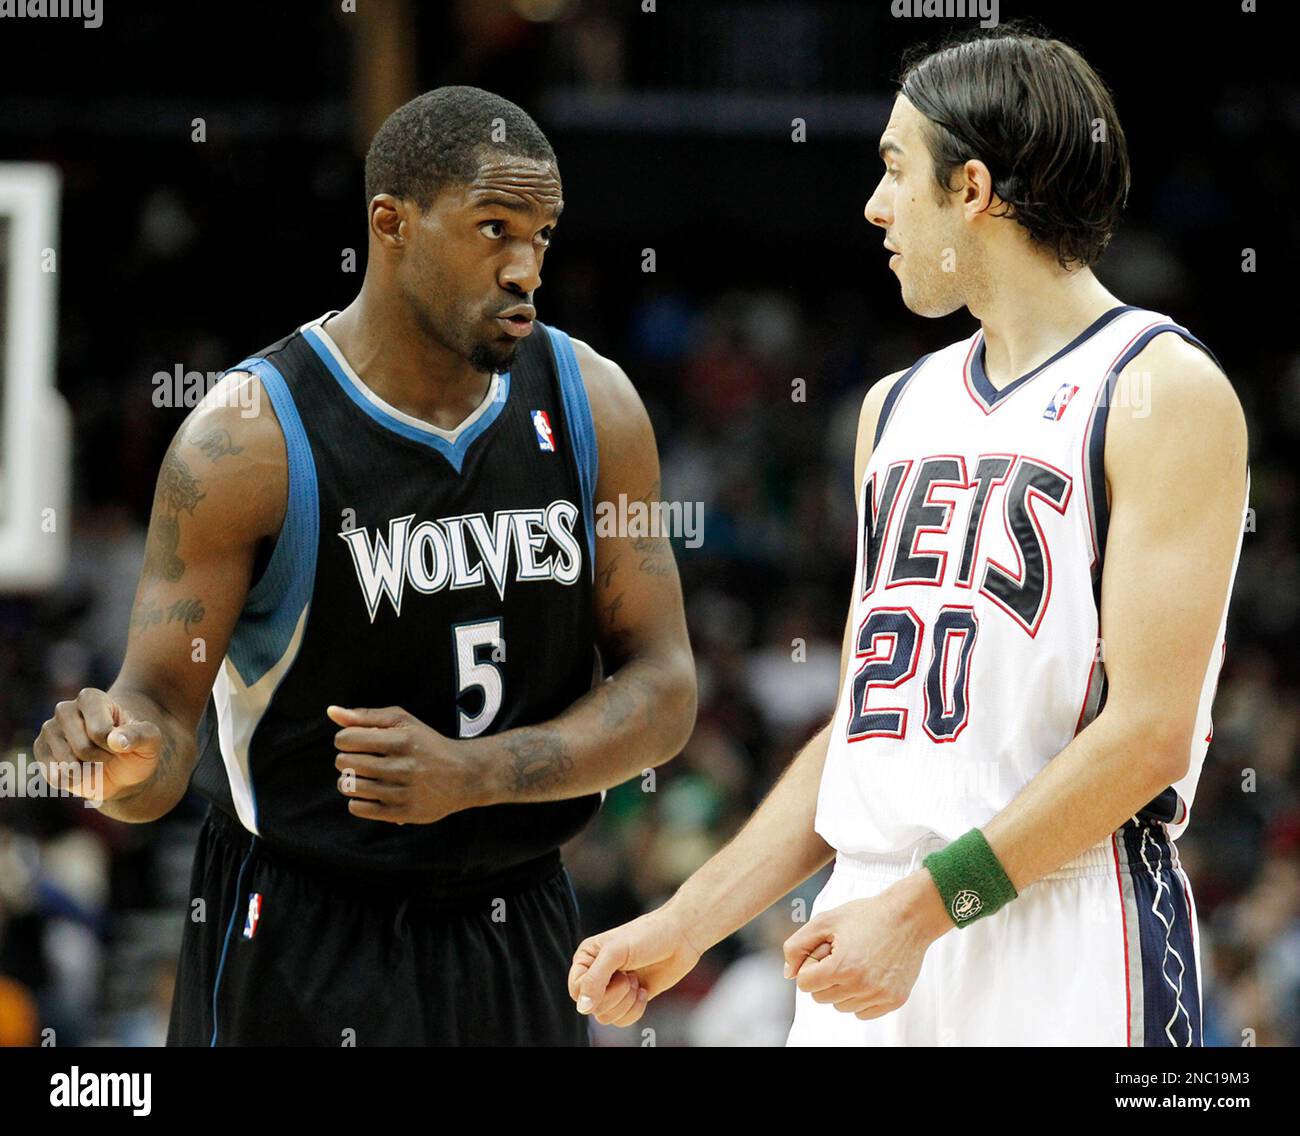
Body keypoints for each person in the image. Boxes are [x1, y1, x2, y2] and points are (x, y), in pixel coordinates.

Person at [568, 28, 1249, 1046]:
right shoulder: (893, 408)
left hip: (1056, 922)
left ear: (972, 188)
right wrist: (690, 920)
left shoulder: (1159, 387)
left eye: (895, 170)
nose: (875, 207)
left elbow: (1148, 733)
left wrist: (926, 909)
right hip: (872, 917)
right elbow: (862, 732)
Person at [34, 86, 696, 1047]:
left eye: (543, 236)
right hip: (302, 927)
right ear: (391, 223)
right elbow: (161, 728)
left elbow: (666, 689)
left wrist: (472, 775)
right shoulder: (246, 441)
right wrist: (120, 765)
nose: (526, 269)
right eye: (494, 228)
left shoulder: (598, 404)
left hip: (520, 924)